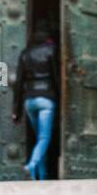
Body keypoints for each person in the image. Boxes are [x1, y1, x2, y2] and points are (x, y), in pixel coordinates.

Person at [13, 23, 60, 180]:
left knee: (39, 138)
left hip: (29, 101)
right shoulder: (51, 50)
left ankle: (40, 176)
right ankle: (31, 165)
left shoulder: (25, 54)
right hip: (46, 99)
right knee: (44, 138)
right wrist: (59, 97)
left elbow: (19, 83)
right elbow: (56, 76)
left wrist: (16, 110)